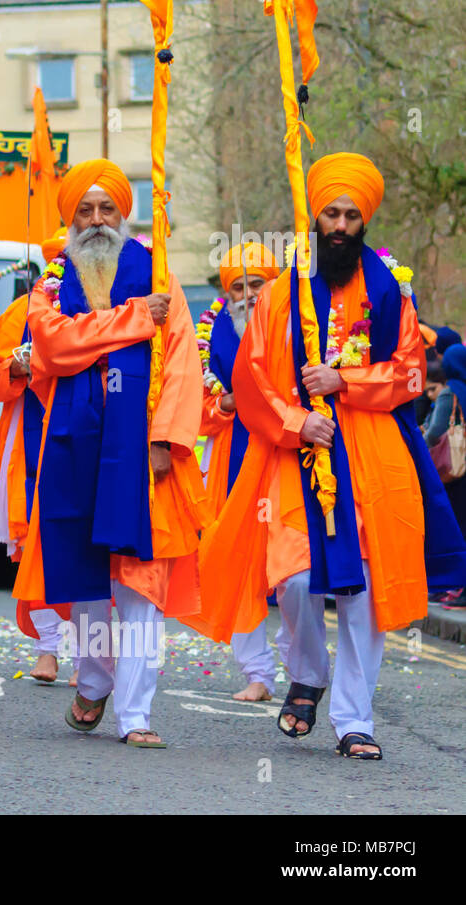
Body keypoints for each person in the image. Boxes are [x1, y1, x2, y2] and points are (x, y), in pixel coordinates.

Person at [197, 153, 466, 759]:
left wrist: (346, 384)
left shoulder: (391, 290)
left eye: (351, 215)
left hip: (374, 453)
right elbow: (252, 378)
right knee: (292, 580)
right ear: (314, 217)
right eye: (331, 213)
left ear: (364, 220)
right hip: (298, 452)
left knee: (365, 590)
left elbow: (409, 374)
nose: (341, 225)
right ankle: (309, 673)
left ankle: (354, 720)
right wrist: (298, 421)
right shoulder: (279, 293)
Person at [12, 159, 207, 748]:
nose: (97, 221)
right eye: (85, 212)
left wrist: (163, 441)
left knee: (139, 580)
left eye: (108, 210)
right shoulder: (50, 284)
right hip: (73, 444)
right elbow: (53, 347)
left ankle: (137, 714)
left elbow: (180, 362)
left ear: (125, 216)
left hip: (143, 451)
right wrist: (130, 321)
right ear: (70, 221)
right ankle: (94, 680)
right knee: (88, 576)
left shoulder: (159, 275)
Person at [0, 240, 78, 686]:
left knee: (87, 546)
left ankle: (88, 655)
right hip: (32, 443)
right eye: (60, 262)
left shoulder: (113, 308)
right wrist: (15, 369)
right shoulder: (22, 312)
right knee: (37, 543)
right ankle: (48, 649)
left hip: (91, 440)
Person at [195, 241, 289, 701]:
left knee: (290, 567)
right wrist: (227, 404)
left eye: (258, 284)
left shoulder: (299, 325)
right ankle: (258, 675)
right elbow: (198, 403)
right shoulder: (214, 332)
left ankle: (302, 669)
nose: (249, 294)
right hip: (233, 457)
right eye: (239, 286)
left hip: (289, 455)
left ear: (274, 284)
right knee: (239, 563)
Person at [425, 344, 466, 607]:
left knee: (456, 526)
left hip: (454, 471)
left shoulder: (450, 392)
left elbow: (435, 432)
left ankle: (457, 586)